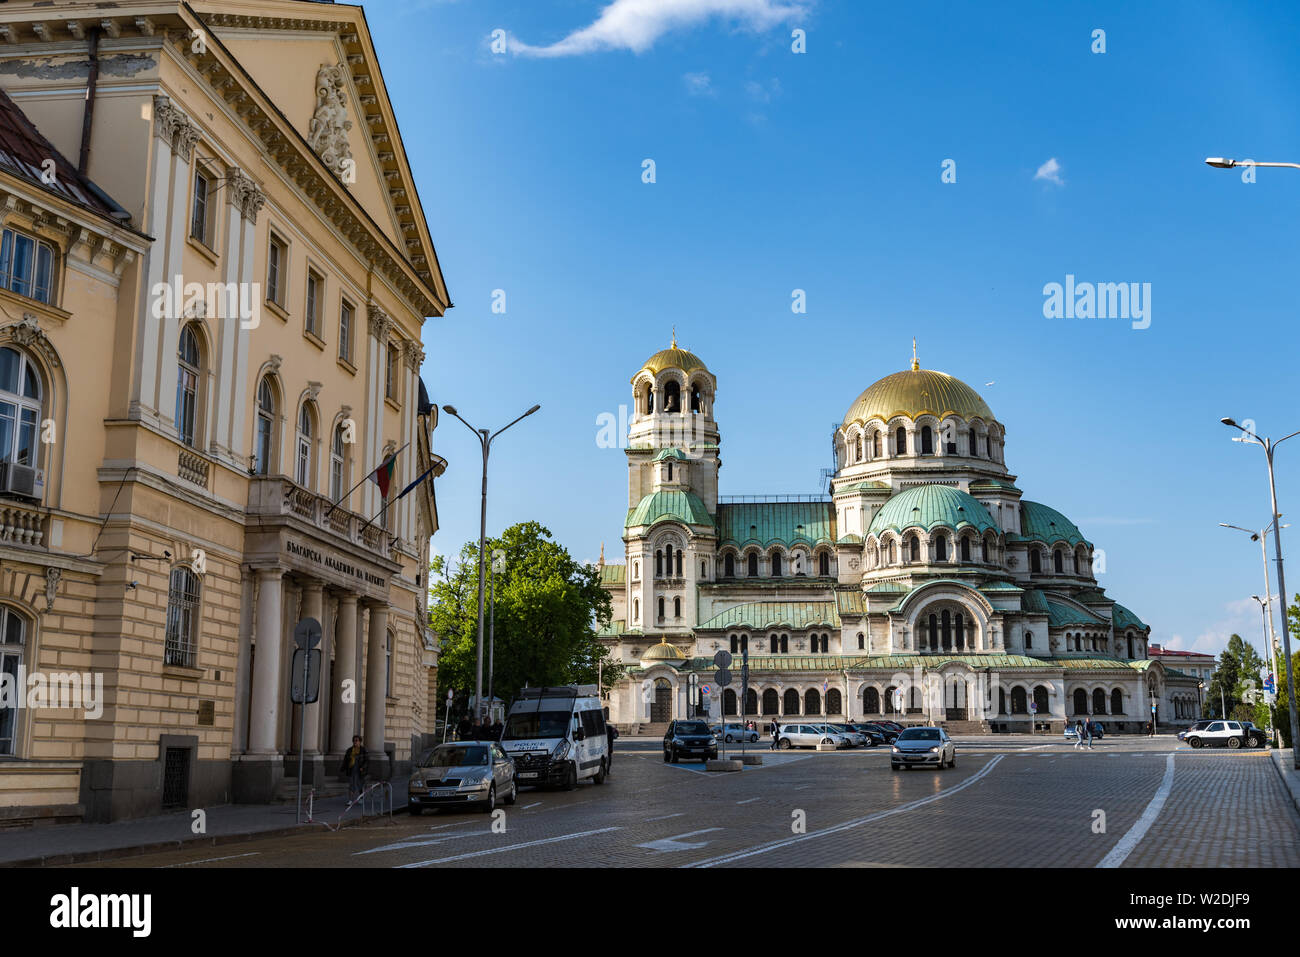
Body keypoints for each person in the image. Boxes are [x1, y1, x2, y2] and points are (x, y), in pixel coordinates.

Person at [340, 734, 368, 801]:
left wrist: (363, 767)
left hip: (359, 770)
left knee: (359, 785)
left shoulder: (363, 750)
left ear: (360, 741)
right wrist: (343, 768)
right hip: (351, 769)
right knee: (351, 785)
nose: (355, 742)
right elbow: (345, 760)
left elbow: (367, 760)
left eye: (356, 740)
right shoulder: (350, 750)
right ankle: (350, 800)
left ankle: (361, 798)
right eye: (354, 741)